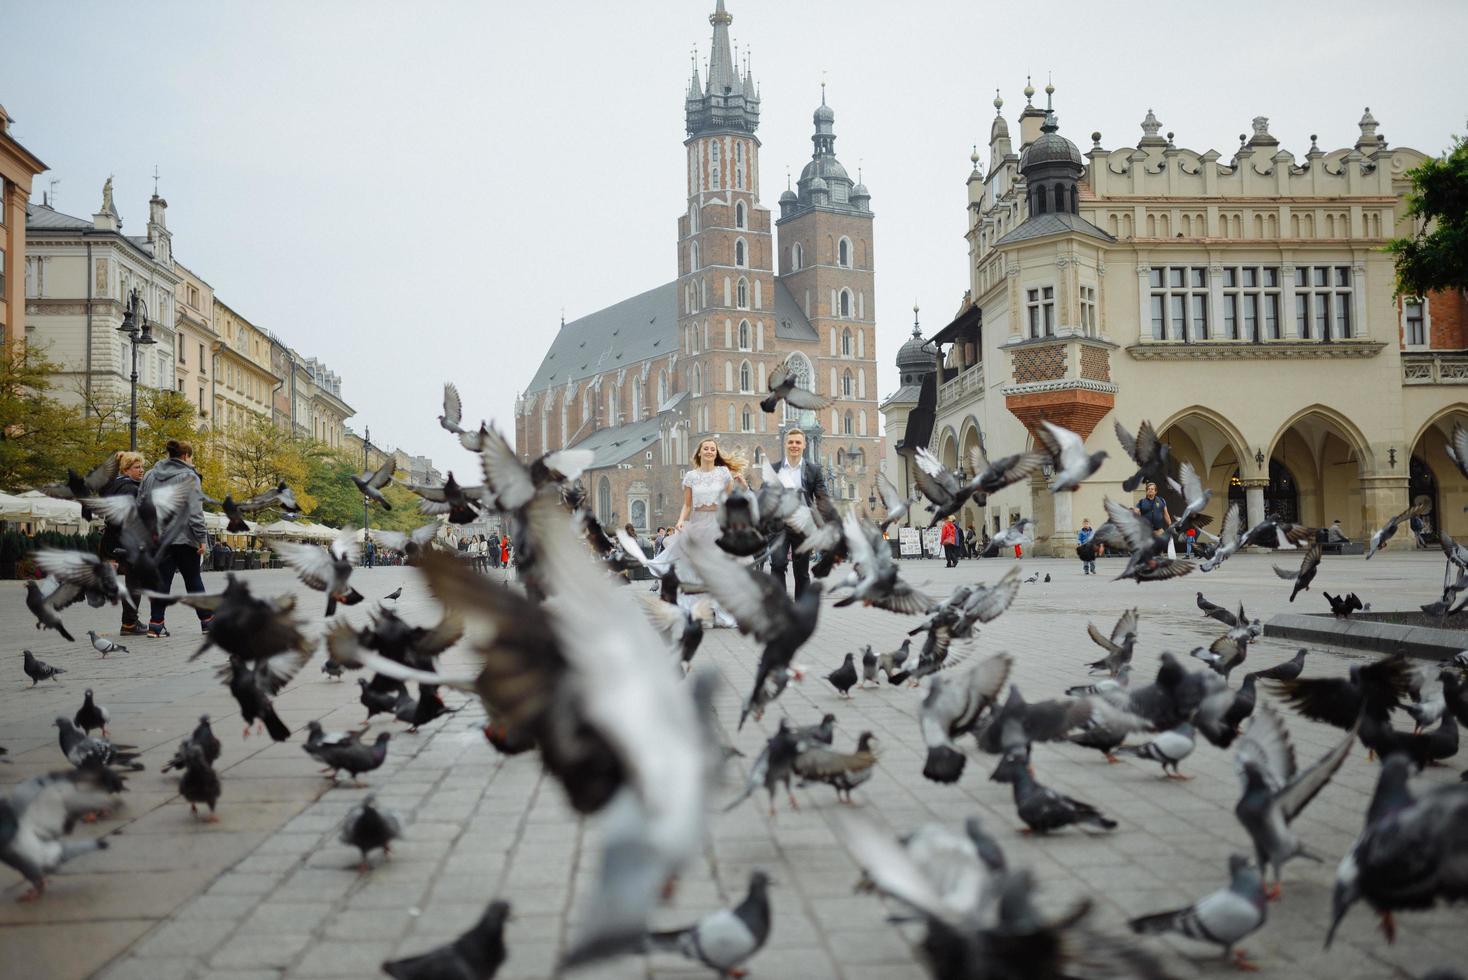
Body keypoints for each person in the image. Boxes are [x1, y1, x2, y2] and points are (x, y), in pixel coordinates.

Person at [141, 440, 211, 637]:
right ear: (184, 457)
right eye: (191, 458)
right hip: (184, 537)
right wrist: (202, 538)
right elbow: (195, 512)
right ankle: (207, 622)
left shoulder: (149, 475)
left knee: (162, 582)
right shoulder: (190, 477)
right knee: (193, 579)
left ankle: (155, 625)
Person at [766, 428, 828, 598]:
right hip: (779, 526)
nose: (794, 445)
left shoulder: (813, 470)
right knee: (777, 565)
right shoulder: (774, 469)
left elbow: (822, 497)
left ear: (804, 445)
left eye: (798, 442)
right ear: (786, 444)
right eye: (791, 442)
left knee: (801, 572)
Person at [101, 450, 146, 635]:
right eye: (137, 467)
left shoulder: (115, 485)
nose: (141, 470)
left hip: (114, 540)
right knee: (135, 583)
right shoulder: (130, 489)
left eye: (142, 466)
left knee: (132, 581)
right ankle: (129, 623)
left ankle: (131, 620)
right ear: (127, 470)